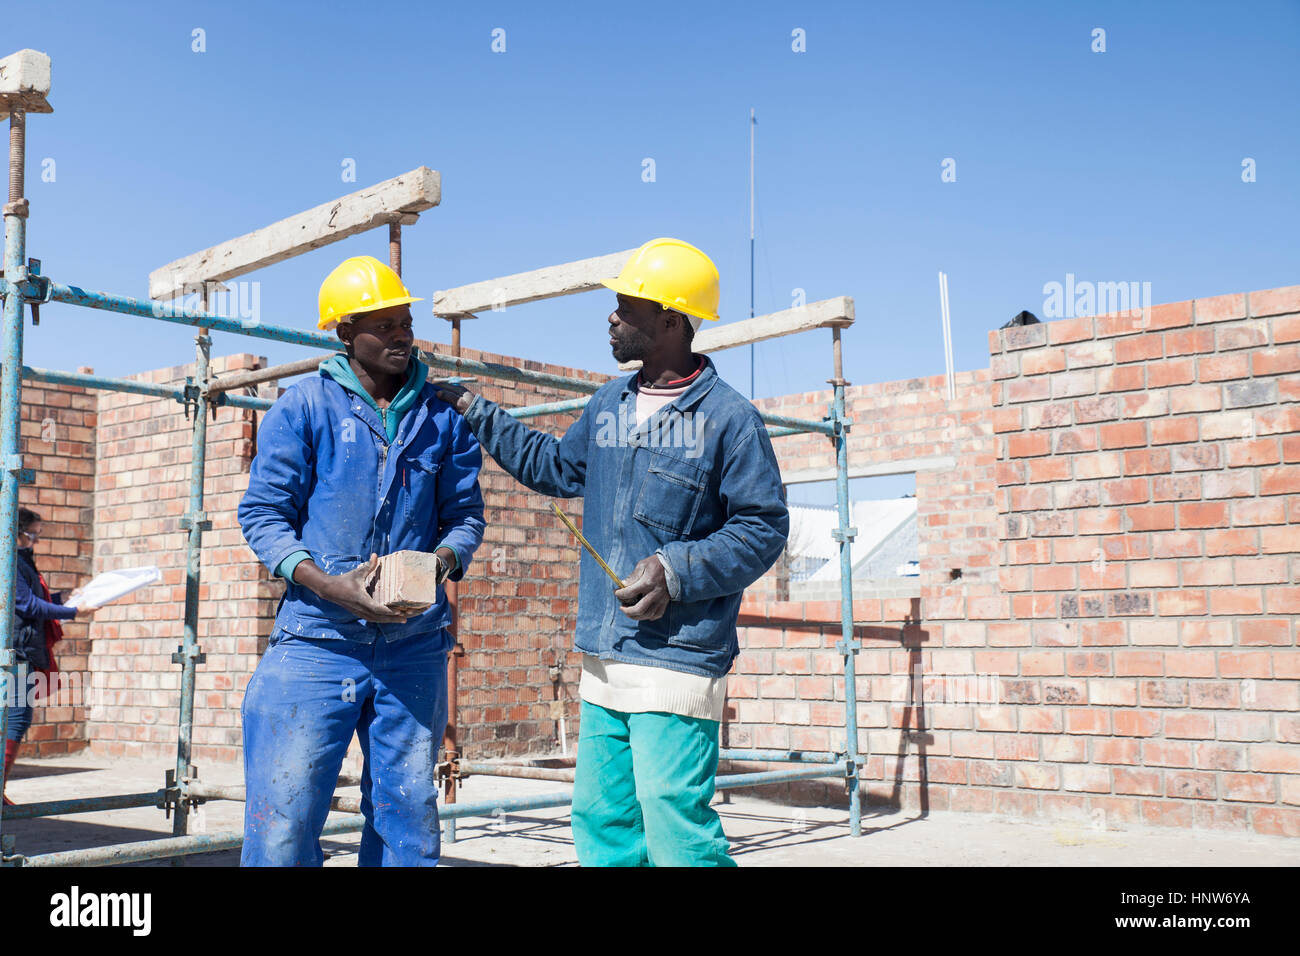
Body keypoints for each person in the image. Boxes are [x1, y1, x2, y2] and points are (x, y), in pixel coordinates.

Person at [436, 237, 789, 866]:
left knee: (676, 828)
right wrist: (473, 407)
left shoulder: (730, 420)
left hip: (676, 660)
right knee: (604, 823)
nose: (612, 317)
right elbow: (554, 466)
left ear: (673, 321)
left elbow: (762, 529)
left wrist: (674, 569)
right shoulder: (609, 406)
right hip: (606, 655)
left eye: (627, 306)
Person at [237, 255, 485, 866]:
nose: (403, 334)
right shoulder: (303, 408)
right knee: (282, 826)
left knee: (407, 825)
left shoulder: (442, 418)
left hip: (412, 647)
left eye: (406, 321)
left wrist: (440, 563)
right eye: (385, 325)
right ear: (345, 334)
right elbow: (263, 515)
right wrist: (329, 585)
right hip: (316, 641)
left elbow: (466, 518)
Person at [4, 508, 98, 806]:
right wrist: (72, 612)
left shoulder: (20, 561)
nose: (36, 541)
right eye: (33, 534)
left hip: (23, 650)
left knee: (15, 719)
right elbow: (27, 606)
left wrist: (64, 598)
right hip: (15, 652)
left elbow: (35, 601)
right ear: (17, 532)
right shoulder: (10, 561)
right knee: (16, 719)